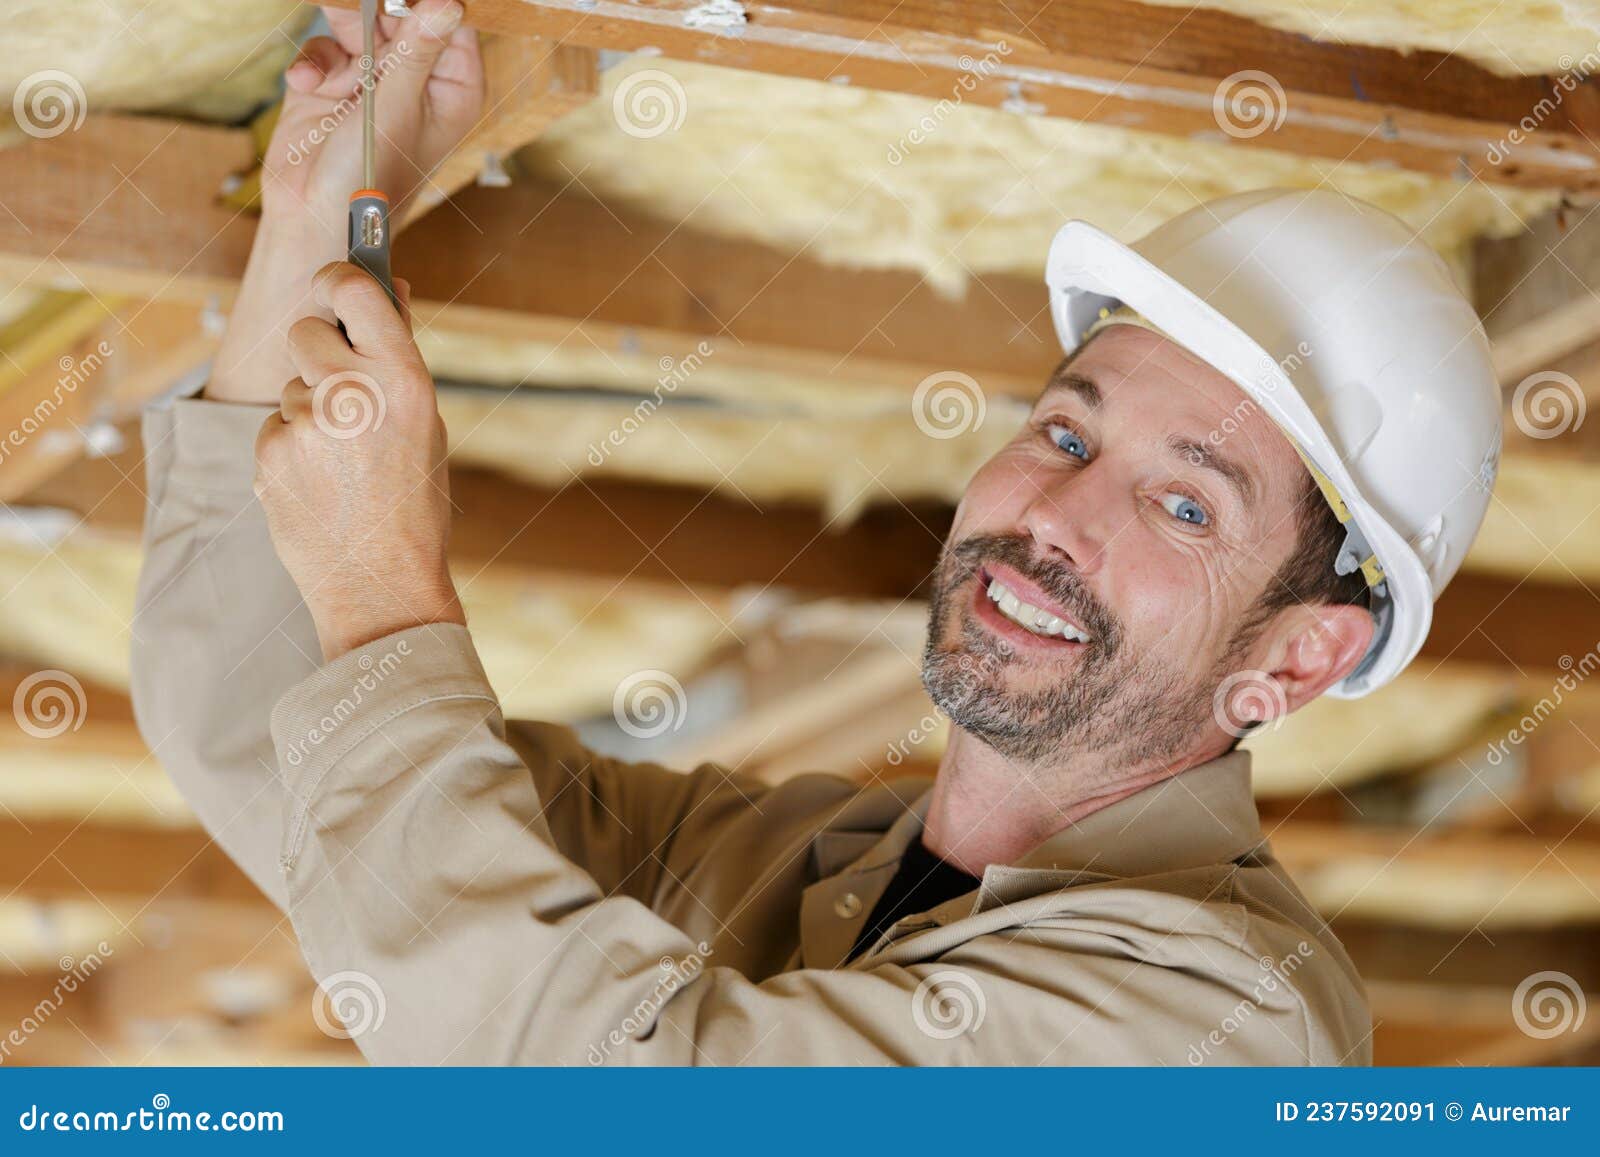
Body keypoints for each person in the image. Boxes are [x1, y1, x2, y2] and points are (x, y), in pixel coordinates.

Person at [131, 0, 1501, 1065]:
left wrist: (386, 581)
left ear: (1296, 658)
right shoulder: (778, 864)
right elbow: (272, 729)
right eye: (1068, 435)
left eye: (1184, 504)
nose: (1052, 516)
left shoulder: (1220, 1021)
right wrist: (314, 222)